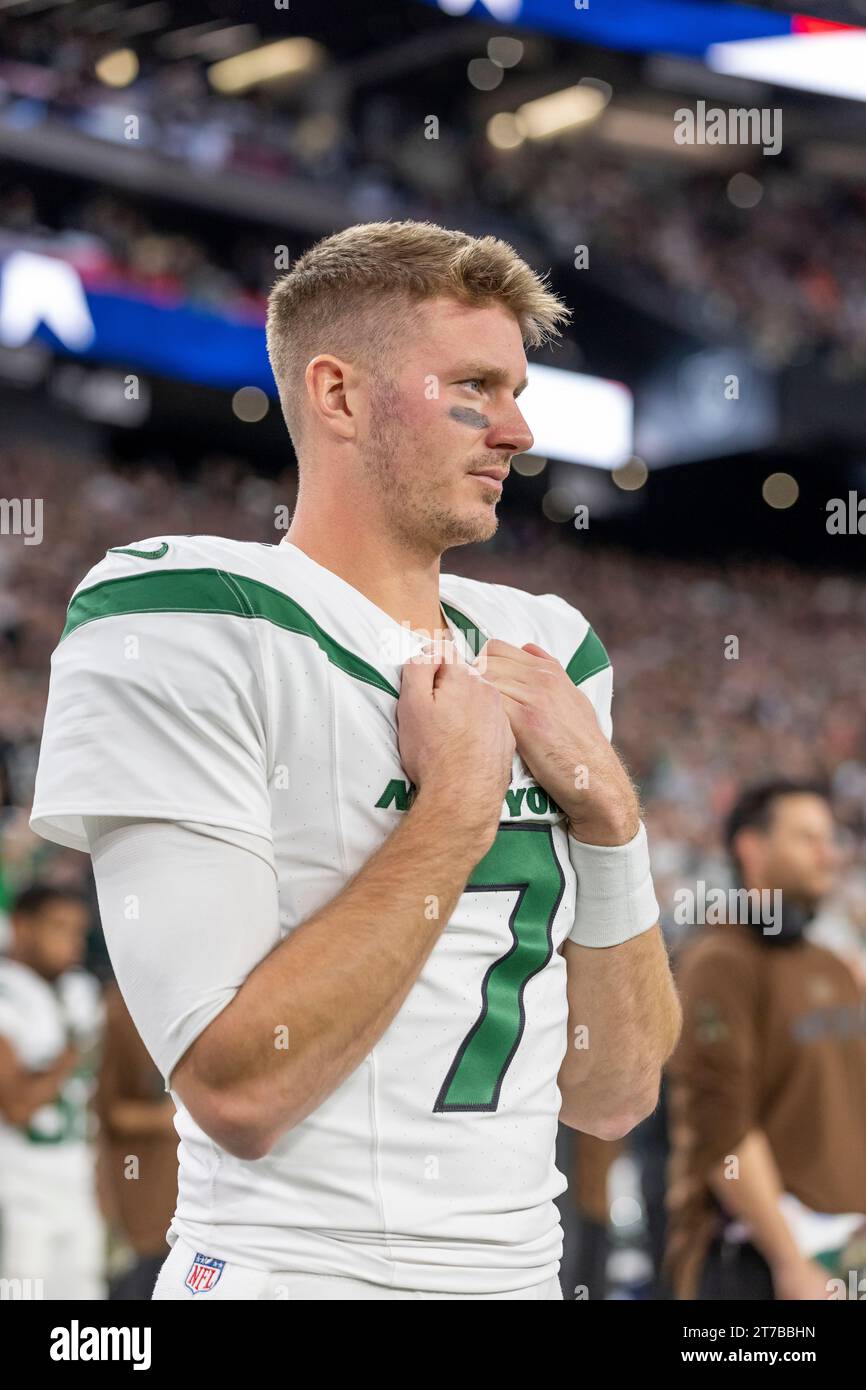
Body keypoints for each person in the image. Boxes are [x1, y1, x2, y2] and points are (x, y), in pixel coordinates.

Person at [30, 219, 680, 1301]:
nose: (517, 428)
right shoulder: (186, 611)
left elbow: (612, 1095)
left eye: (518, 387)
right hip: (295, 1275)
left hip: (526, 1274)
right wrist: (455, 808)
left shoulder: (547, 650)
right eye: (474, 385)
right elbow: (240, 1089)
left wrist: (612, 816)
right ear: (337, 396)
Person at [664, 780, 866, 1301]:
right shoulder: (719, 962)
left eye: (831, 839)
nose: (829, 854)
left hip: (844, 1254)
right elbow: (723, 1128)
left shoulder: (832, 967)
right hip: (756, 1266)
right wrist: (789, 1261)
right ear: (752, 848)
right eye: (807, 838)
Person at [0, 884, 105, 1299]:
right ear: (22, 927)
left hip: (77, 1187)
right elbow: (20, 1105)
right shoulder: (6, 992)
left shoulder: (79, 990)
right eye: (59, 928)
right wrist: (73, 1052)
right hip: (17, 1194)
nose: (73, 944)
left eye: (78, 932)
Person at [95, 981, 178, 1300]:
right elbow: (110, 1111)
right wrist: (170, 1117)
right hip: (141, 1212)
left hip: (190, 1215)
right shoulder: (121, 1009)